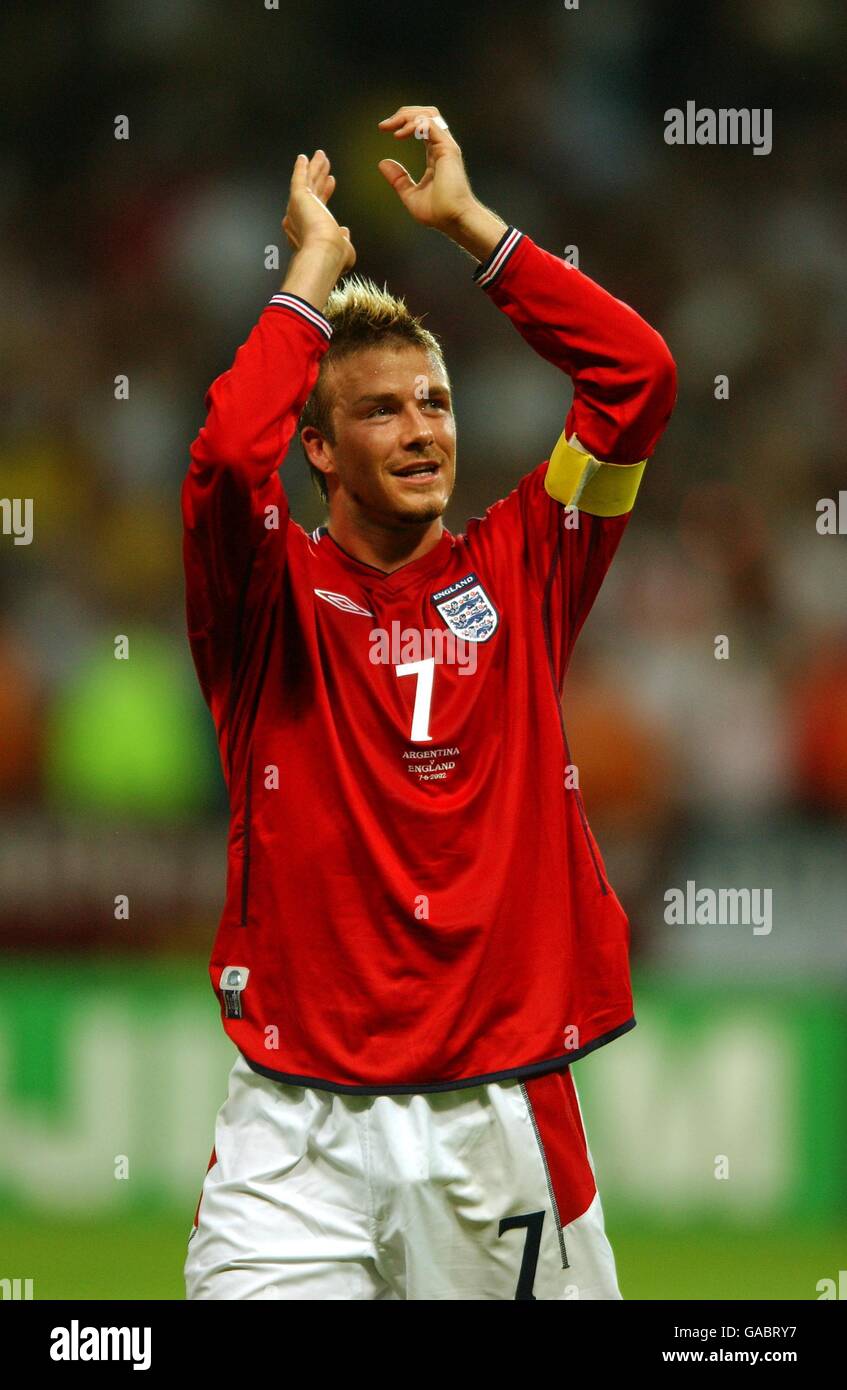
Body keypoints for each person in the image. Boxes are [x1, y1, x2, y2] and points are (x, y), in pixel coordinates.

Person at [182, 105, 676, 1300]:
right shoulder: (267, 596)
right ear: (322, 449)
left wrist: (470, 227)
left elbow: (636, 377)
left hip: (493, 1118)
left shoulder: (528, 563)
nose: (421, 432)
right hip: (293, 1137)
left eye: (437, 404)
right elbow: (223, 461)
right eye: (381, 410)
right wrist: (310, 277)